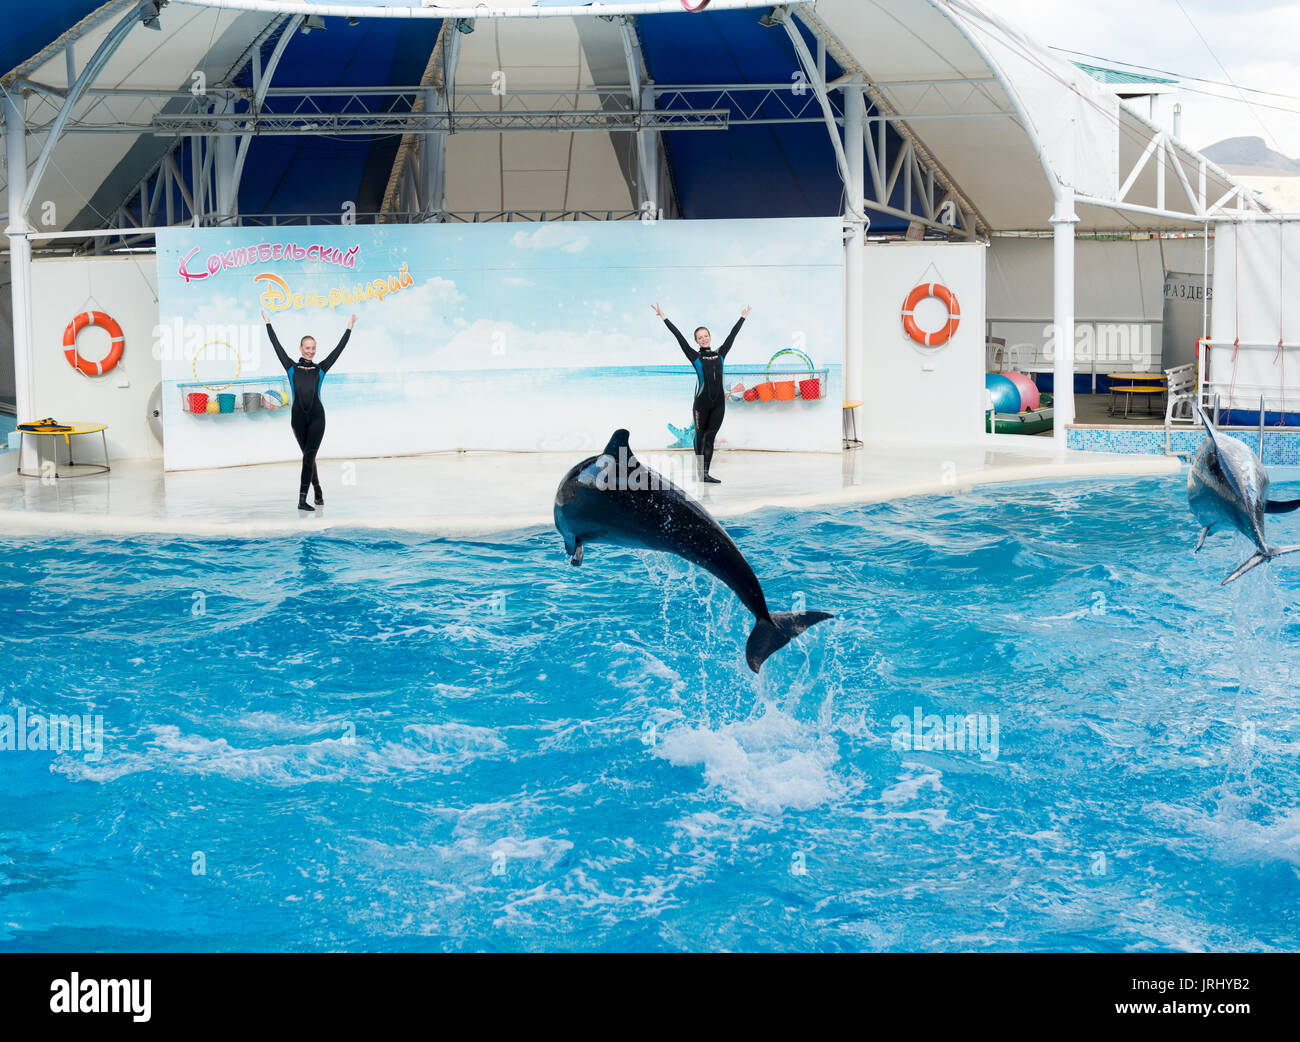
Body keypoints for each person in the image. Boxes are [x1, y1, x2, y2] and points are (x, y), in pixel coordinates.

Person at [261, 308, 356, 511]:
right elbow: (276, 345)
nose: (311, 351)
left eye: (313, 348)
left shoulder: (320, 369)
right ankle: (318, 491)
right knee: (308, 456)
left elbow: (338, 350)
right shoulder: (290, 367)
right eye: (307, 347)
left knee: (309, 456)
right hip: (297, 419)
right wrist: (268, 324)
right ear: (301, 348)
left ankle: (302, 500)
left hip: (317, 418)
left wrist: (349, 329)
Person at [653, 303, 750, 483]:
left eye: (706, 336)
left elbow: (732, 335)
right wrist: (664, 317)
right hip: (701, 404)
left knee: (710, 437)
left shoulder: (721, 354)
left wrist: (742, 317)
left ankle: (705, 474)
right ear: (696, 341)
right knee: (700, 436)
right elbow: (679, 337)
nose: (704, 339)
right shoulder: (695, 356)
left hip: (719, 404)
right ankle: (700, 472)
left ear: (710, 337)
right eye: (700, 337)